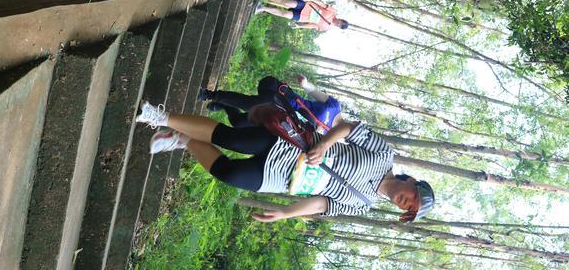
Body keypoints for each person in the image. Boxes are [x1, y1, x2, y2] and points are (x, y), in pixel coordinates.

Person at [135, 101, 435, 223]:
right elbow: (348, 127)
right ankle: (159, 116)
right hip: (291, 146)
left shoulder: (363, 203)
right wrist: (327, 144)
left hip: (283, 178)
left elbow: (320, 204)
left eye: (407, 208)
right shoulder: (384, 155)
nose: (404, 202)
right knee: (230, 138)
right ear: (411, 182)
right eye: (412, 198)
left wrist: (286, 213)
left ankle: (181, 139)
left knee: (228, 173)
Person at [199, 75, 341, 132]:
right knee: (252, 105)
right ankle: (210, 95)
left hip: (279, 118)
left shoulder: (327, 137)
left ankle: (225, 105)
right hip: (280, 96)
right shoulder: (335, 107)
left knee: (238, 123)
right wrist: (305, 84)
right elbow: (314, 91)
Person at [256, 0, 348, 32]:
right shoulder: (333, 12)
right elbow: (322, 4)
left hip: (303, 17)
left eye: (339, 25)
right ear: (341, 19)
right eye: (340, 22)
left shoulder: (326, 27)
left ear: (338, 27)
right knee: (288, 3)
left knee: (285, 14)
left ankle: (263, 8)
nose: (338, 23)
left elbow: (313, 26)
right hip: (308, 6)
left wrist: (299, 26)